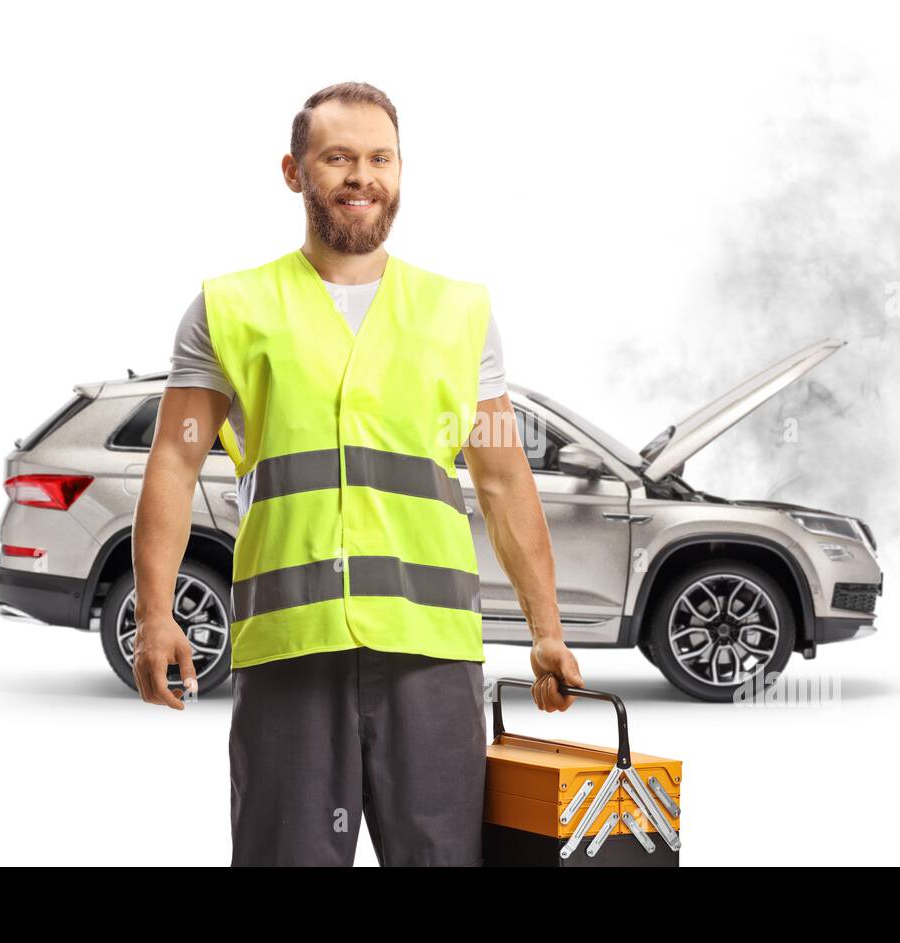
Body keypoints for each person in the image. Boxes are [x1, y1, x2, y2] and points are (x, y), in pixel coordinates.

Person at [129, 81, 584, 866]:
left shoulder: (460, 313)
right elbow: (175, 459)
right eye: (337, 157)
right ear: (294, 171)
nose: (360, 176)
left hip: (430, 651)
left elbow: (505, 479)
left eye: (380, 158)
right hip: (290, 645)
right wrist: (156, 613)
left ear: (401, 172)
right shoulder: (228, 308)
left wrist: (547, 632)